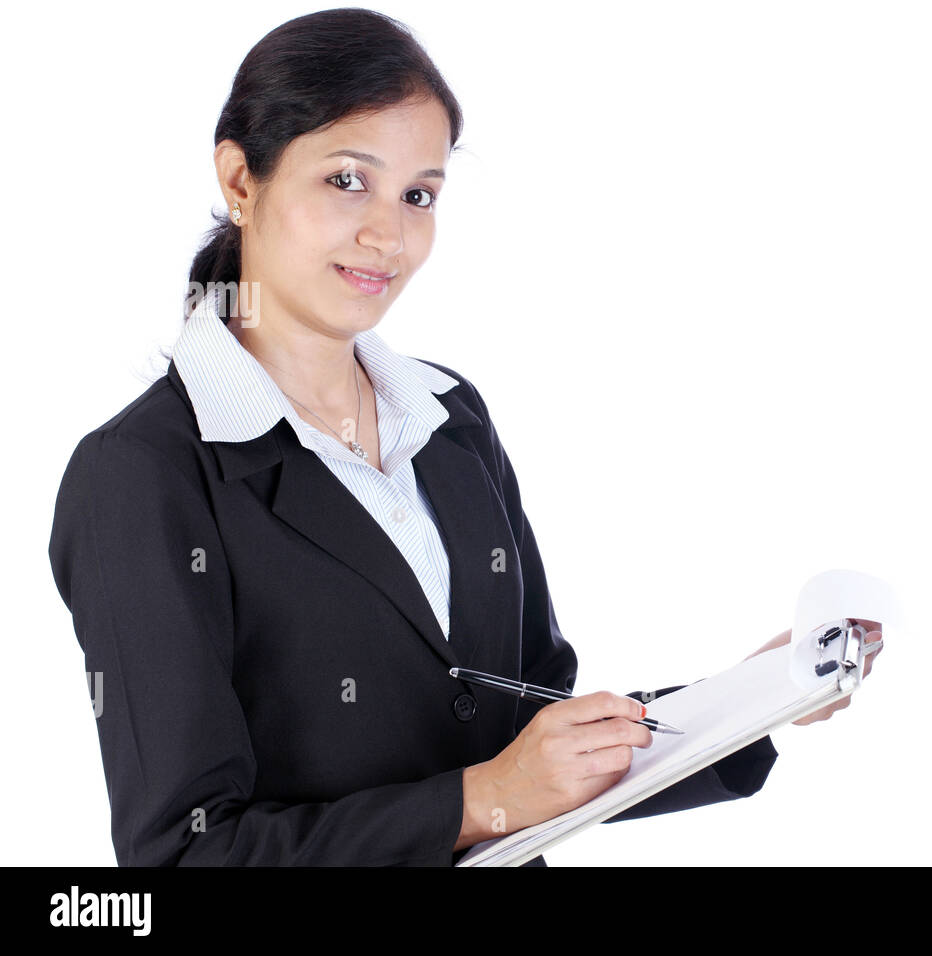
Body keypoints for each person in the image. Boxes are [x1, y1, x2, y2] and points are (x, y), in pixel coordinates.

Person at [48, 9, 881, 867]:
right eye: (347, 179)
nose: (390, 233)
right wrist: (482, 799)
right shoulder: (143, 475)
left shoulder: (449, 417)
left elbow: (530, 732)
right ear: (240, 179)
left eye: (419, 194)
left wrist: (753, 700)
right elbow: (182, 855)